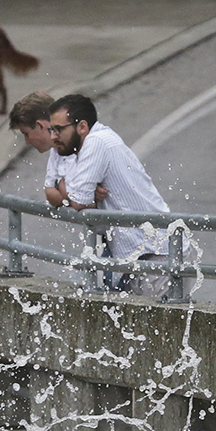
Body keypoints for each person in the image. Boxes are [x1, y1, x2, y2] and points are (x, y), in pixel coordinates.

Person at [47, 94, 169, 290]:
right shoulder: (98, 139)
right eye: (51, 129)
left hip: (155, 256)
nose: (53, 136)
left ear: (82, 127)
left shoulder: (96, 142)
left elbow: (79, 201)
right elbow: (81, 196)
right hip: (144, 255)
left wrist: (62, 184)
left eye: (58, 129)